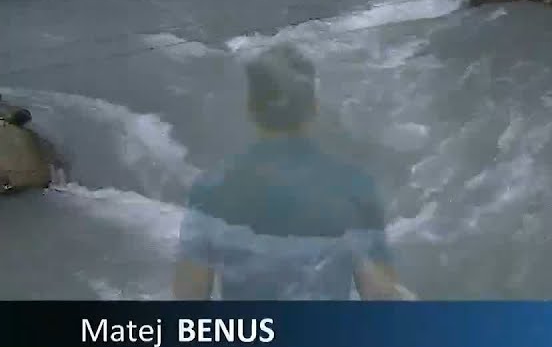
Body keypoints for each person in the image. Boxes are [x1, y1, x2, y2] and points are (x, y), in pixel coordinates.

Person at [173, 44, 415, 300]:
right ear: (314, 107)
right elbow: (380, 295)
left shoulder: (210, 190)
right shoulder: (355, 187)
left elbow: (190, 296)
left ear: (250, 108)